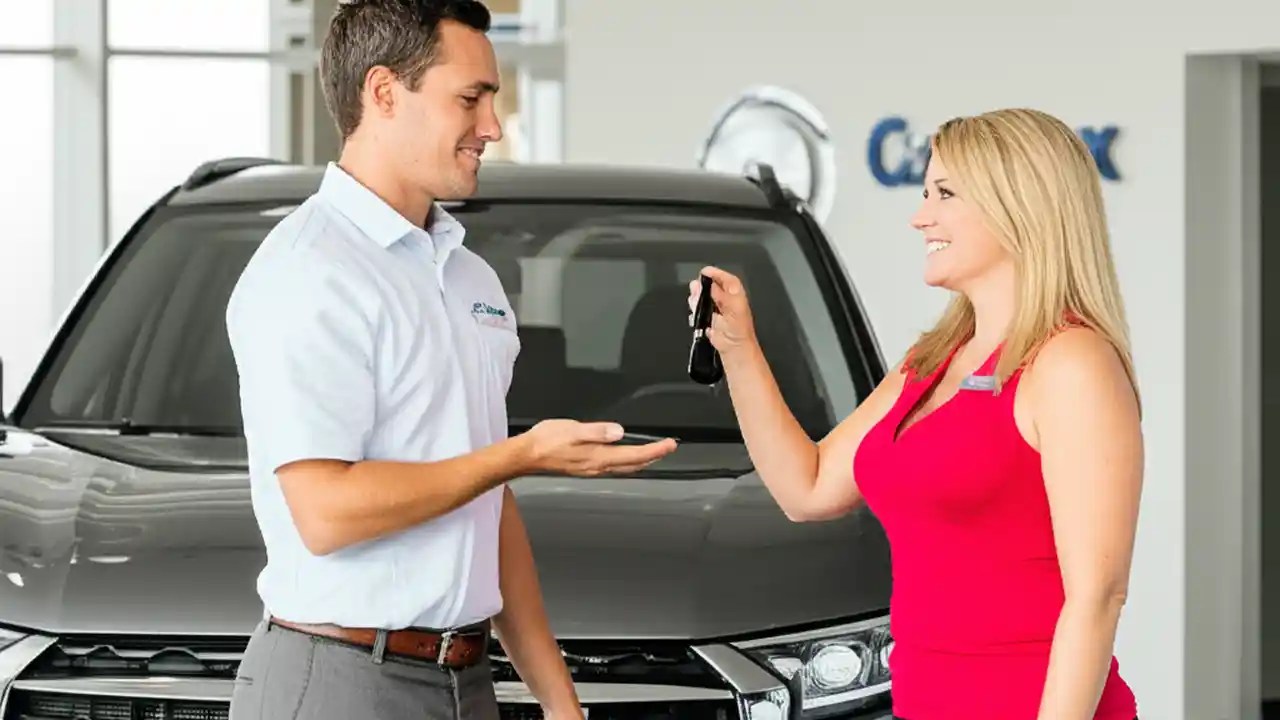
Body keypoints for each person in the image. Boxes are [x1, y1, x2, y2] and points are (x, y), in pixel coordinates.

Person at [224, 2, 677, 718]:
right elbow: (326, 512)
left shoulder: (470, 279)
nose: (492, 126)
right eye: (471, 98)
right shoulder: (308, 271)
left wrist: (562, 705)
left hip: (465, 683)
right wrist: (516, 456)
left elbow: (486, 507)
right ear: (383, 94)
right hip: (341, 683)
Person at [689, 107, 1142, 720]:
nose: (920, 216)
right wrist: (740, 350)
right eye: (925, 192)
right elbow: (809, 487)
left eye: (945, 193)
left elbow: (1098, 595)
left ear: (1020, 204)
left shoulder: (1070, 362)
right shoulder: (929, 361)